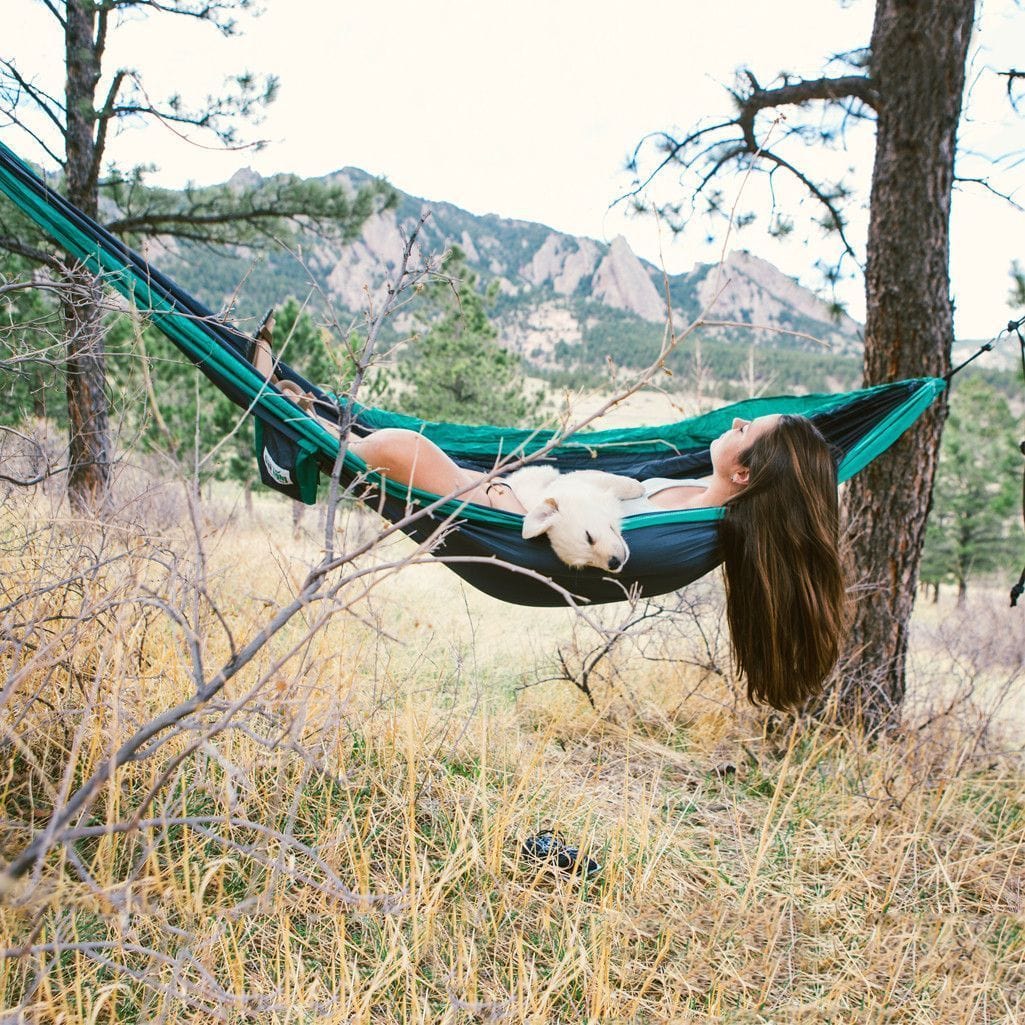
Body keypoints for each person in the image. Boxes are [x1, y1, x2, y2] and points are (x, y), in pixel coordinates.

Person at [348, 414, 846, 711]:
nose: (736, 423)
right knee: (374, 440)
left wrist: (501, 490)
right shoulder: (697, 493)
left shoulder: (689, 534)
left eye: (746, 430)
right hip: (521, 496)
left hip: (511, 524)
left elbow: (573, 543)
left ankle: (305, 432)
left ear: (742, 473)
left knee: (398, 447)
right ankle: (308, 415)